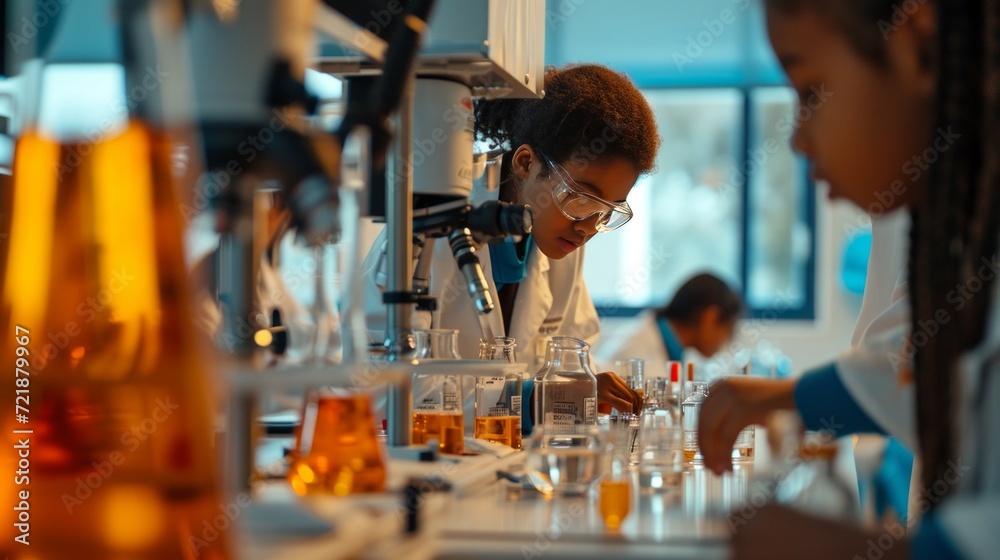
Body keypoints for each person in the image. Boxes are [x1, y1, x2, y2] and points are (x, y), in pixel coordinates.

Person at [697, 1, 1000, 559]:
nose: (798, 139)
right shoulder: (958, 222)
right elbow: (924, 355)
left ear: (914, 49)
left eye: (811, 91)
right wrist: (787, 397)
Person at [363, 64, 660, 416]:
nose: (588, 228)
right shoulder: (428, 230)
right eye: (580, 199)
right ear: (525, 163)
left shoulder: (562, 241)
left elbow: (576, 355)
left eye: (605, 211)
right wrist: (534, 400)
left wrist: (588, 387)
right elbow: (384, 387)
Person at [595, 272, 742, 378]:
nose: (727, 340)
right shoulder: (637, 354)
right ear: (710, 318)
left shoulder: (672, 348)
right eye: (729, 330)